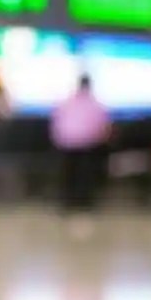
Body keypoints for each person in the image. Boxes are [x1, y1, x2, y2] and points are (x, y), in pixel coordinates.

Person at [51, 74, 111, 212]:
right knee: (86, 173)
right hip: (86, 144)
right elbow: (102, 127)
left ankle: (67, 201)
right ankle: (84, 201)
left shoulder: (67, 101)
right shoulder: (94, 104)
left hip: (66, 143)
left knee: (68, 174)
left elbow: (56, 122)